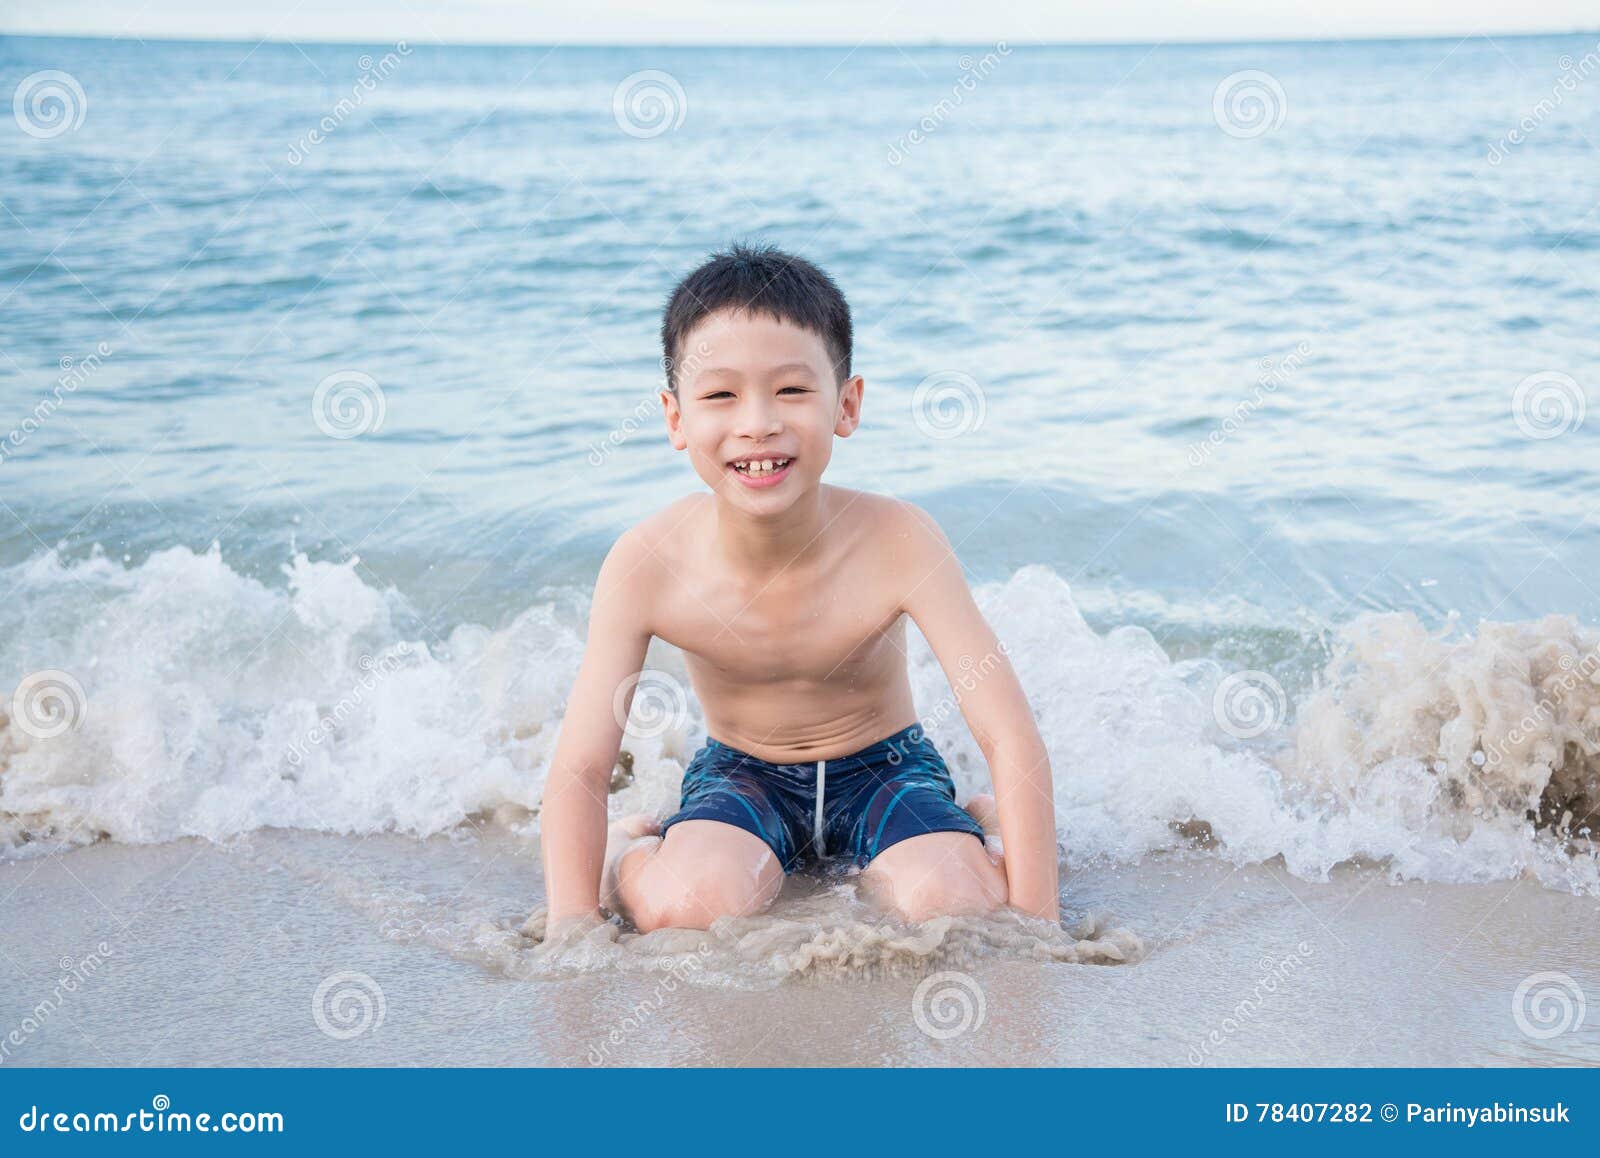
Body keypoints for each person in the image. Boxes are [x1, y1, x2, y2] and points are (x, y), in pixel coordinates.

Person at [540, 241, 1059, 935]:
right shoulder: (646, 561)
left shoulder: (900, 539)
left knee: (954, 905)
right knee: (686, 907)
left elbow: (1010, 734)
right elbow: (581, 764)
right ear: (675, 418)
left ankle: (970, 825)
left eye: (791, 389)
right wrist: (570, 924)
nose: (758, 421)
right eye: (720, 395)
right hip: (742, 774)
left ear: (847, 404)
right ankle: (634, 852)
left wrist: (1039, 925)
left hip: (887, 766)